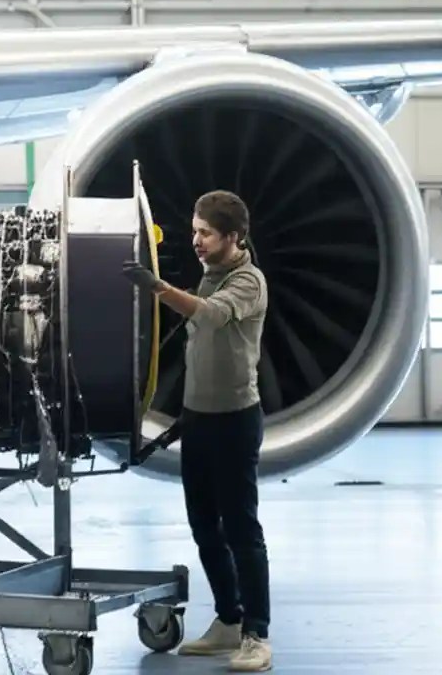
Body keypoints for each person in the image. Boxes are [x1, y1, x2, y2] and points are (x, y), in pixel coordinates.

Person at [121, 190, 272, 672]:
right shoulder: (211, 273)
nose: (196, 241)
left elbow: (210, 316)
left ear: (233, 236)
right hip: (201, 419)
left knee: (242, 531)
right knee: (205, 527)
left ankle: (257, 634)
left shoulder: (248, 281)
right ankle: (228, 620)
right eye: (194, 231)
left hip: (234, 423)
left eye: (205, 233)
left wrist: (158, 288)